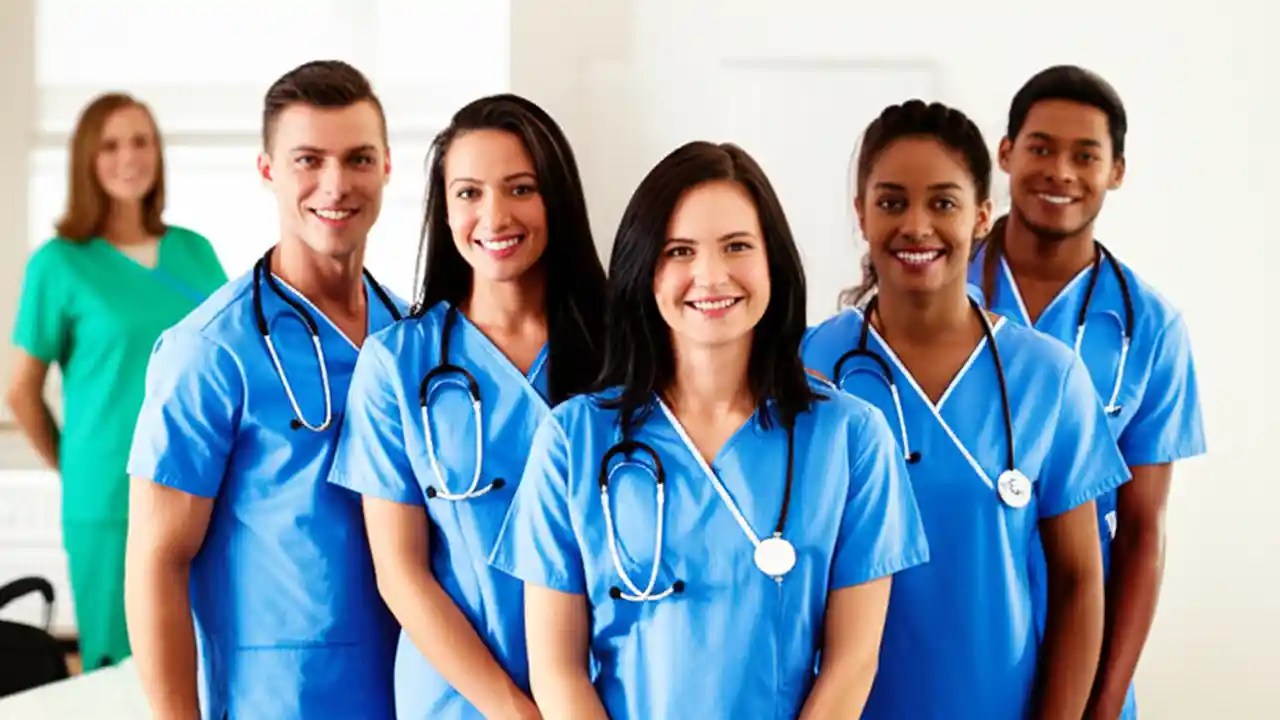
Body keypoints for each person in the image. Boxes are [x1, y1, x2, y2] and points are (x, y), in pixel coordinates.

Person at [490, 140, 929, 719]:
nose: (711, 275)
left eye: (737, 246)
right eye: (679, 251)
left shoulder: (851, 437)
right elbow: (557, 668)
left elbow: (852, 662)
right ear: (644, 268)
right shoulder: (573, 439)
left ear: (773, 260)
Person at [800, 100, 1132, 718]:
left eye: (944, 203)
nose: (916, 225)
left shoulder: (1047, 376)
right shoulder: (810, 367)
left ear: (982, 216)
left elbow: (1079, 582)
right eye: (892, 202)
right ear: (861, 214)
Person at [123, 60, 404, 720]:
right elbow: (156, 559)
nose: (336, 185)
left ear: (387, 167)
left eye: (359, 158)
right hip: (279, 702)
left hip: (415, 691)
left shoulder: (411, 339)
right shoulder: (209, 351)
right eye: (308, 159)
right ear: (267, 170)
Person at [327, 93, 607, 719]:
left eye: (521, 188)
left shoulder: (623, 350)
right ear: (444, 208)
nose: (495, 215)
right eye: (469, 193)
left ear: (555, 198)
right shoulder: (398, 364)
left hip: (608, 691)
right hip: (460, 699)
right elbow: (400, 573)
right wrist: (513, 708)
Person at [969, 65, 1207, 719]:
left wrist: (1102, 705)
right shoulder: (933, 294)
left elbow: (1140, 534)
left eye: (1086, 155)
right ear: (1007, 152)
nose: (1060, 172)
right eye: (1041, 147)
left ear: (1117, 171)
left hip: (1083, 636)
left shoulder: (1150, 330)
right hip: (946, 629)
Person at [6, 92, 227, 672]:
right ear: (86, 159)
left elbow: (227, 358)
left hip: (203, 485)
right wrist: (74, 464)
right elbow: (19, 389)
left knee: (202, 657)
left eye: (141, 141)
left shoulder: (194, 251)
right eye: (110, 145)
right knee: (123, 666)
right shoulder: (60, 263)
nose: (129, 157)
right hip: (107, 494)